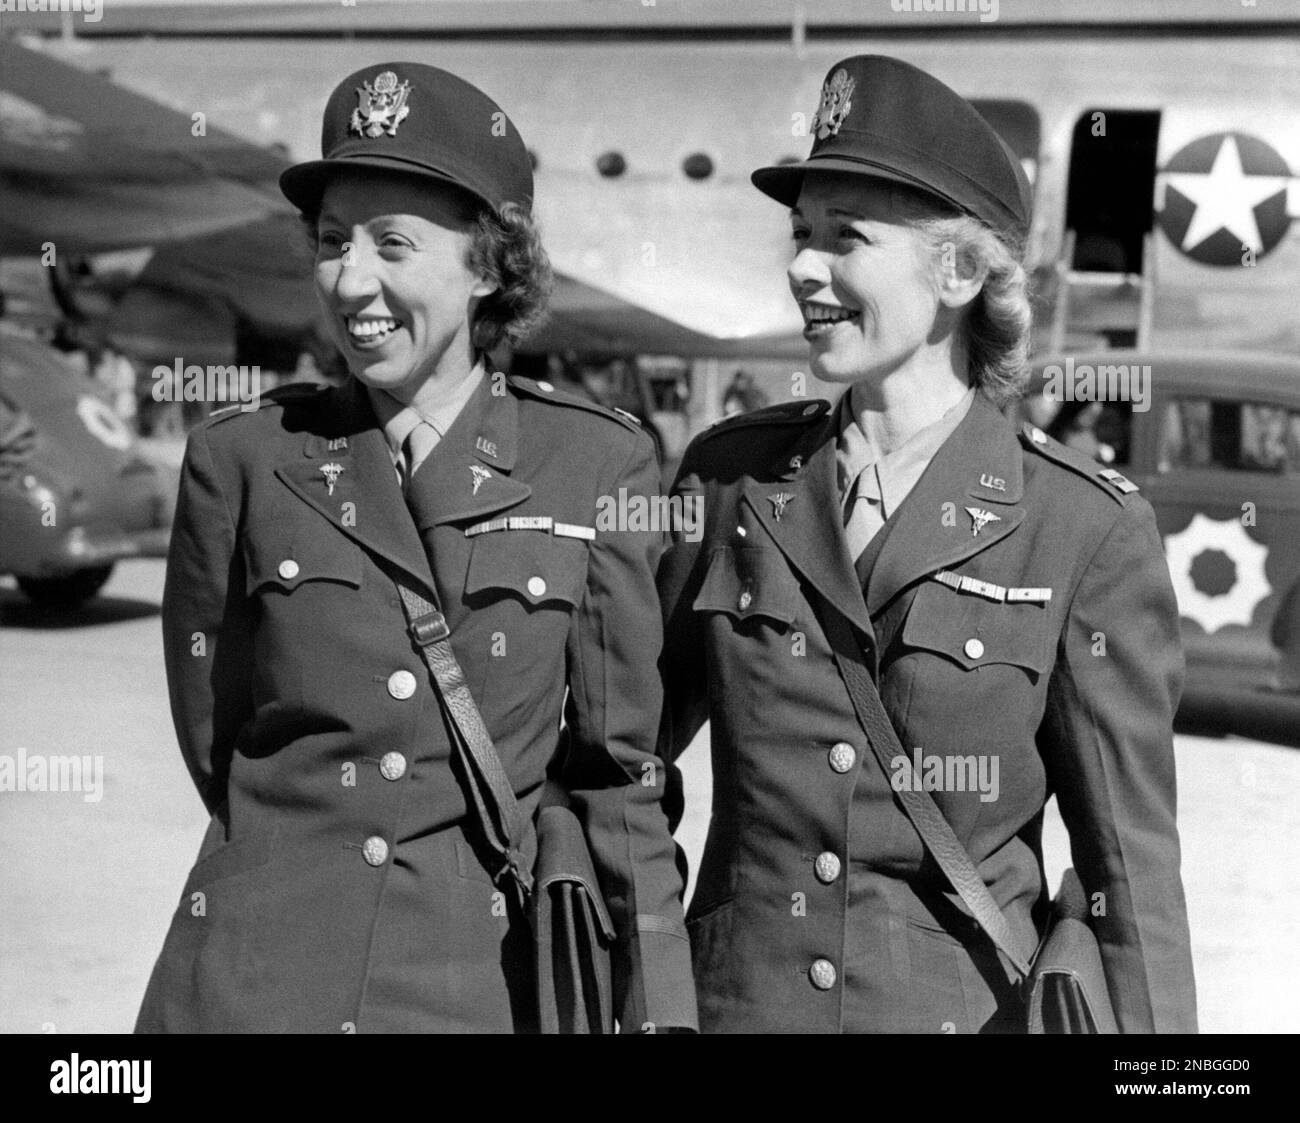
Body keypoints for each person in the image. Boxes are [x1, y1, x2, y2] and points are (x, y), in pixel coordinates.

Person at [137, 62, 695, 1033]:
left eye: (392, 244)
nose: (350, 281)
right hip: (254, 980)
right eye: (330, 243)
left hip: (473, 984)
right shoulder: (244, 459)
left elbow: (619, 776)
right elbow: (217, 738)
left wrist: (659, 1008)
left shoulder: (591, 465)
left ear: (489, 265)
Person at [657, 56, 1196, 1033]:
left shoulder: (1078, 527)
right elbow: (619, 764)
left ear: (957, 271)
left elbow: (1131, 881)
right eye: (801, 233)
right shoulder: (731, 480)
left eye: (845, 239)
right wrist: (652, 989)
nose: (802, 268)